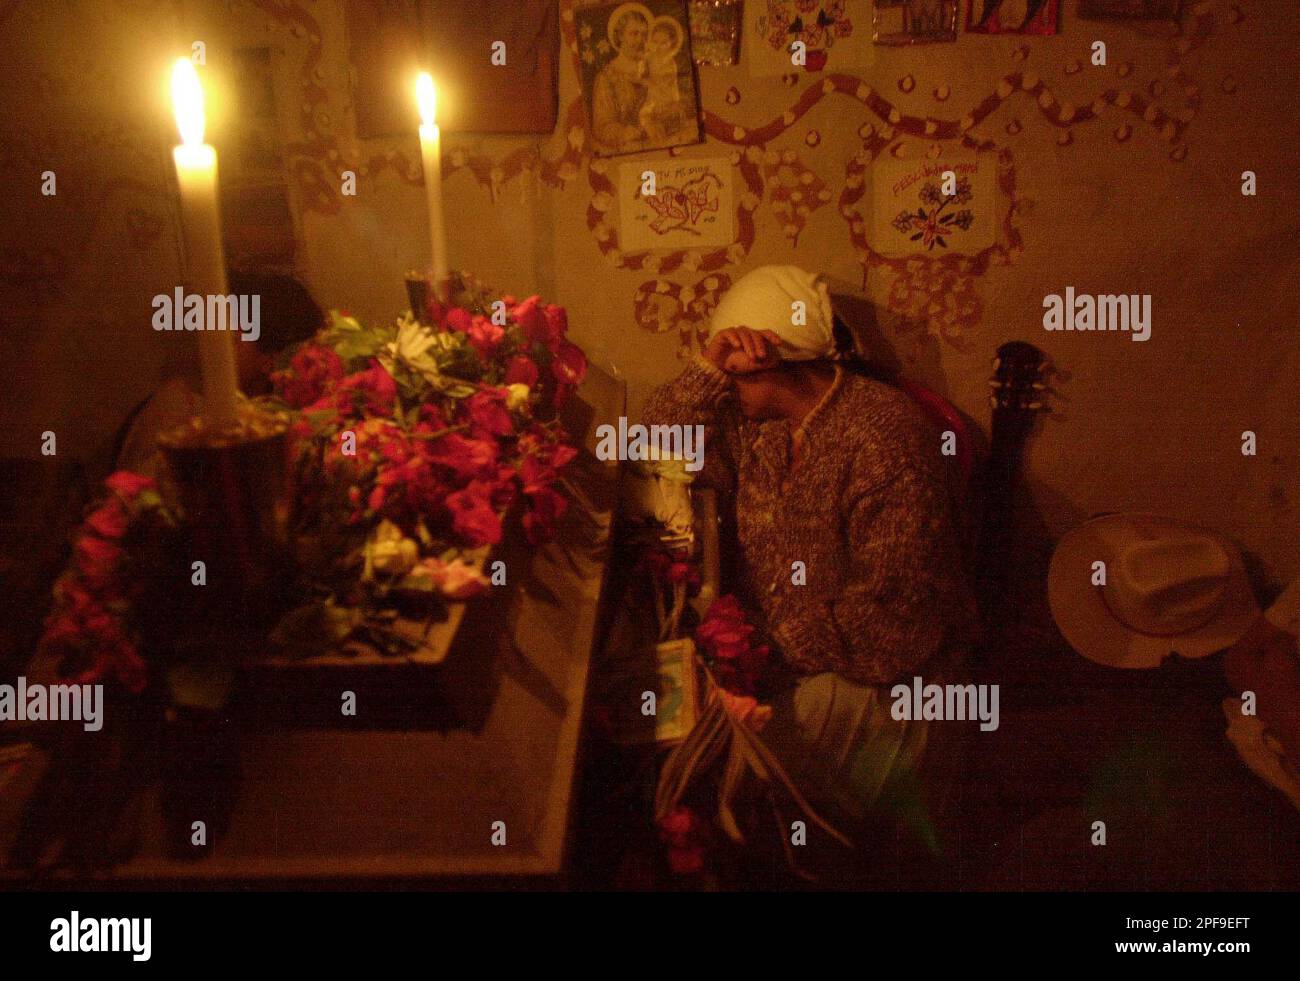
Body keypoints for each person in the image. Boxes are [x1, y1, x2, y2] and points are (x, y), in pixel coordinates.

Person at [643, 265, 975, 845]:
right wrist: (705, 369)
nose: (725, 382)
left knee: (706, 768)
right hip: (797, 662)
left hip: (884, 684)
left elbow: (895, 625)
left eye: (733, 369)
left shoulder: (882, 439)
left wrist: (766, 655)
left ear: (768, 360)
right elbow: (648, 443)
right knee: (680, 737)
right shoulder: (765, 424)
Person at [114, 271, 324, 477]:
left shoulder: (283, 415)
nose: (214, 348)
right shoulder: (181, 409)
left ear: (271, 358)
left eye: (231, 337)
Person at [590, 5, 651, 154]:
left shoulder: (651, 70)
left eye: (644, 35)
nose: (640, 40)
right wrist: (624, 133)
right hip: (625, 153)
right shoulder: (606, 78)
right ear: (620, 36)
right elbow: (602, 127)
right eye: (634, 34)